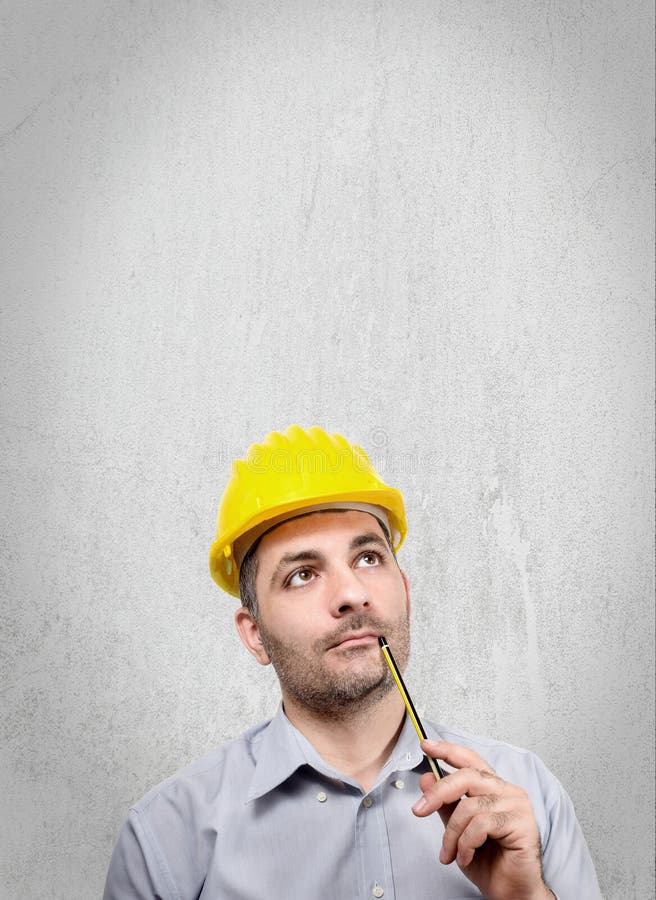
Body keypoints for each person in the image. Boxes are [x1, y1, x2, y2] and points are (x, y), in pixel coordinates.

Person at [104, 425, 601, 899]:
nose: (352, 594)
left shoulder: (527, 793)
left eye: (368, 559)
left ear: (404, 592)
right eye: (302, 574)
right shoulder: (165, 836)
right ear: (255, 636)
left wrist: (526, 897)